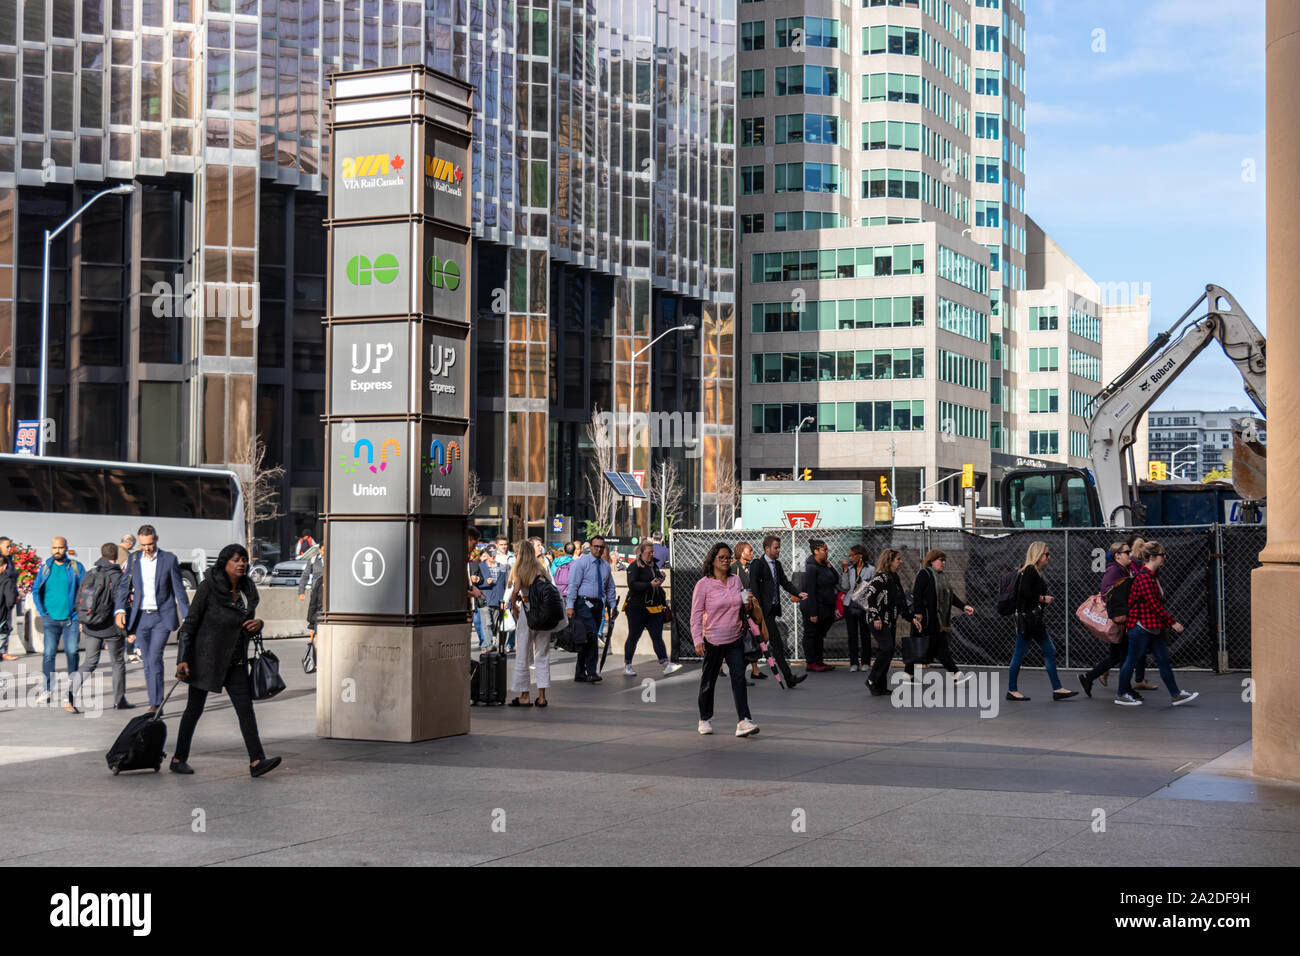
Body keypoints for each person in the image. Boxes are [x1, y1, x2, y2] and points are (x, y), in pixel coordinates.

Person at [171, 543, 281, 776]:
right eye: (236, 560)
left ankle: (256, 761)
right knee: (194, 709)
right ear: (224, 563)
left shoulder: (246, 590)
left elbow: (243, 625)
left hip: (235, 659)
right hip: (205, 658)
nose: (241, 564)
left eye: (244, 559)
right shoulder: (207, 588)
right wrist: (183, 659)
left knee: (245, 710)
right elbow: (189, 625)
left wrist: (258, 624)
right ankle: (178, 758)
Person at [114, 524, 191, 714]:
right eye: (142, 545)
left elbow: (178, 591)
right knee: (147, 661)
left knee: (155, 658)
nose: (146, 548)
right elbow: (124, 587)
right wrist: (120, 610)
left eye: (149, 544)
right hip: (140, 617)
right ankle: (154, 700)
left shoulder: (169, 559)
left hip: (161, 618)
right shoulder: (133, 559)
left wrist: (189, 618)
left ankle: (156, 704)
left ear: (155, 539)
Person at [1114, 541, 1199, 707]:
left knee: (1163, 660)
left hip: (1152, 626)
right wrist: (1173, 623)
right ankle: (1122, 694)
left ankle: (1176, 694)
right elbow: (1153, 604)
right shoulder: (1144, 578)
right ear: (1152, 557)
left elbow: (1154, 604)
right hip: (1140, 627)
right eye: (1162, 555)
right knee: (1131, 660)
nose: (1164, 558)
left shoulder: (1153, 576)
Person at [690, 542, 759, 738]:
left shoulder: (736, 580)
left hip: (735, 638)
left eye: (728, 557)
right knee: (708, 680)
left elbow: (744, 603)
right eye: (721, 557)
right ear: (712, 560)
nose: (726, 561)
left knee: (739, 678)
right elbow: (695, 615)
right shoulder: (703, 585)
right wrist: (697, 639)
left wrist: (747, 603)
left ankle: (743, 721)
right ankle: (704, 718)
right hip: (713, 640)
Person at [1005, 541, 1077, 702]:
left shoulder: (1034, 571)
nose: (1049, 557)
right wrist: (1043, 598)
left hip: (1034, 621)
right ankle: (1012, 689)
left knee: (1048, 650)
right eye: (1046, 554)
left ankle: (1057, 688)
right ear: (1038, 555)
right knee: (1021, 653)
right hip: (1030, 621)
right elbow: (1023, 593)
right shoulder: (1030, 570)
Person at [70, 543, 131, 712]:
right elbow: (121, 602)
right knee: (117, 662)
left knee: (89, 662)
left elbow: (79, 598)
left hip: (91, 625)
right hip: (111, 627)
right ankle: (119, 700)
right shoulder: (118, 576)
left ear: (101, 555)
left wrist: (83, 621)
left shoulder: (91, 573)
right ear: (116, 556)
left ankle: (70, 694)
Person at [1079, 540, 1137, 698]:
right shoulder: (1114, 571)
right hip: (1118, 618)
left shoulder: (1123, 569)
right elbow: (1108, 594)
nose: (1130, 554)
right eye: (1127, 552)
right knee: (1123, 655)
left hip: (1122, 618)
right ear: (1118, 555)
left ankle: (1088, 677)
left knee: (1116, 656)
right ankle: (1125, 689)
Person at [31, 537, 85, 708]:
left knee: (72, 651)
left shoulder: (76, 567)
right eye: (54, 547)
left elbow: (85, 590)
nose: (57, 551)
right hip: (51, 619)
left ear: (66, 548)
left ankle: (71, 690)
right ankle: (47, 690)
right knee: (48, 654)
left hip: (72, 619)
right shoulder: (46, 568)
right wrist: (43, 612)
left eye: (60, 548)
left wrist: (81, 614)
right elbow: (35, 590)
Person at [906, 550, 974, 684]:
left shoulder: (942, 577)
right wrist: (918, 613)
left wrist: (963, 606)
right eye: (940, 560)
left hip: (937, 619)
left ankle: (909, 675)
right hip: (926, 619)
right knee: (938, 647)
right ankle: (956, 674)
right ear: (932, 561)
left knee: (928, 646)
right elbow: (917, 593)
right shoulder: (924, 574)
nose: (943, 563)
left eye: (944, 560)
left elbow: (950, 595)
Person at [747, 534, 807, 687]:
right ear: (767, 548)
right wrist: (757, 612)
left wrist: (797, 592)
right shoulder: (758, 565)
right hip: (762, 613)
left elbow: (785, 583)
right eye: (776, 548)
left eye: (779, 547)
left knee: (766, 645)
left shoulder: (777, 565)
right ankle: (788, 678)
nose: (779, 550)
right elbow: (754, 588)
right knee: (774, 644)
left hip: (772, 611)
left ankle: (788, 678)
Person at [506, 538, 560, 708]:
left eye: (516, 552)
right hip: (544, 614)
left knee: (523, 653)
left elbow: (515, 591)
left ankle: (525, 695)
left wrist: (515, 607)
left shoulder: (520, 568)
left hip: (527, 613)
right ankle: (542, 697)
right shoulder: (540, 568)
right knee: (542, 655)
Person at [623, 541, 683, 678]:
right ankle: (628, 665)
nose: (651, 554)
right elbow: (632, 585)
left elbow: (655, 584)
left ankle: (665, 664)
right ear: (641, 552)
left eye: (652, 552)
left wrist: (660, 579)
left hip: (653, 608)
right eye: (648, 552)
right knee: (634, 635)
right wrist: (649, 584)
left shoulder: (654, 565)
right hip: (637, 608)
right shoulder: (634, 566)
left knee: (656, 636)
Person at [565, 535, 617, 683]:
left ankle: (580, 672)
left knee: (586, 638)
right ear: (590, 547)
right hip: (582, 603)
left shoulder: (606, 566)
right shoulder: (581, 563)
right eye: (596, 546)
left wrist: (613, 605)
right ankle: (592, 671)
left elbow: (610, 587)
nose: (599, 549)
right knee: (593, 634)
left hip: (597, 604)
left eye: (601, 547)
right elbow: (573, 585)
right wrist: (570, 606)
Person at [860, 549, 910, 696]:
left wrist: (910, 617)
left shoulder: (894, 578)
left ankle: (880, 686)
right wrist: (876, 617)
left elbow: (901, 600)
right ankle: (872, 680)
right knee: (887, 648)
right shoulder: (880, 578)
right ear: (889, 561)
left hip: (890, 620)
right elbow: (870, 598)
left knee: (887, 651)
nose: (900, 562)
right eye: (897, 559)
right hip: (879, 620)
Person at [800, 539, 839, 672]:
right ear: (816, 551)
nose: (826, 553)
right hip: (814, 607)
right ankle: (811, 662)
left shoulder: (824, 566)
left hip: (826, 607)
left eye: (827, 550)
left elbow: (836, 579)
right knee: (811, 634)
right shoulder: (811, 568)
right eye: (824, 550)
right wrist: (813, 613)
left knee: (819, 635)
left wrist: (830, 566)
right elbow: (810, 591)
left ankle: (819, 660)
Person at [735, 542, 765, 682]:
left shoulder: (750, 567)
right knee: (745, 641)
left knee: (753, 639)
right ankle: (740, 675)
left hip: (751, 606)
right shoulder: (734, 569)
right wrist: (744, 600)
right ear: (742, 553)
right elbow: (735, 589)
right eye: (750, 551)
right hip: (741, 610)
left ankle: (755, 670)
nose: (752, 553)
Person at [839, 545, 871, 672]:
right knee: (852, 635)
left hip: (864, 605)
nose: (850, 558)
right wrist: (845, 571)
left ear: (860, 555)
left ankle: (865, 662)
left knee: (865, 634)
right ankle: (853, 662)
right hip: (850, 604)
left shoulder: (870, 569)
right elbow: (845, 586)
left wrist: (863, 585)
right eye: (850, 555)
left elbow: (873, 586)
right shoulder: (850, 569)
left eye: (852, 555)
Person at [478, 537, 512, 652]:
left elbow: (507, 584)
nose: (492, 556)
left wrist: (507, 601)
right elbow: (474, 582)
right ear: (486, 554)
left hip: (498, 600)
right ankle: (487, 645)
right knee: (487, 623)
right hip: (485, 599)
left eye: (494, 554)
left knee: (495, 625)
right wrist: (482, 582)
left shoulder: (502, 567)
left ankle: (492, 643)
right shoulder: (480, 566)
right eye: (490, 554)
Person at [0, 539, 17, 661]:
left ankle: (3, 651)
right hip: (4, 599)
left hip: (7, 596)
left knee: (6, 627)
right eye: (7, 546)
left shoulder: (10, 560)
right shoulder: (3, 563)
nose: (10, 549)